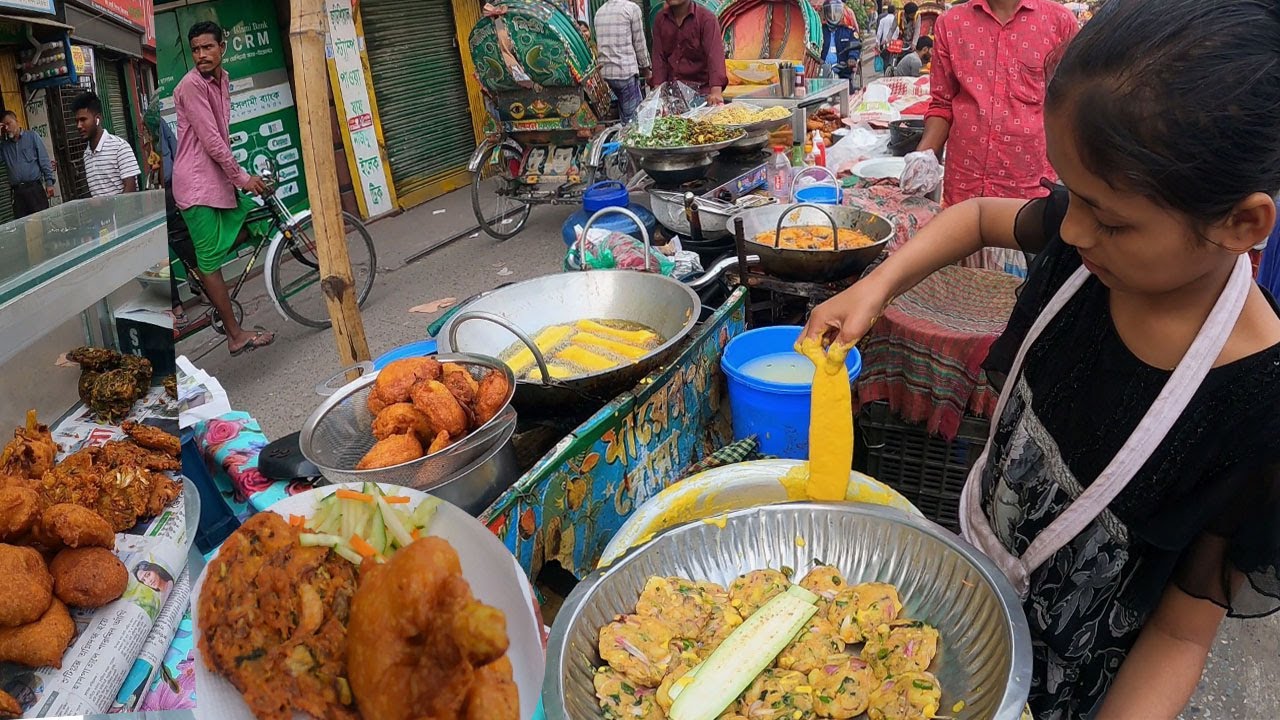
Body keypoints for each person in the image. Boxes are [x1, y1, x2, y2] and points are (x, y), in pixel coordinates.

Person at [803, 1, 1280, 717]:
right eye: (1069, 194)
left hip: (1072, 689)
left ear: (1241, 223)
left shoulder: (1258, 411)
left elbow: (1182, 633)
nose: (1073, 230)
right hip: (964, 593)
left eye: (1108, 218)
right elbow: (976, 217)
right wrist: (874, 287)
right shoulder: (1088, 236)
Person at [907, 0, 1077, 275]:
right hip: (964, 192)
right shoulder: (951, 24)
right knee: (964, 290)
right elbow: (942, 104)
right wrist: (924, 154)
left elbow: (1072, 106)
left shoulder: (1060, 23)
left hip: (1027, 198)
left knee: (1020, 291)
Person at [173, 21, 274, 356]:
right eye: (196, 50)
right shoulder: (191, 85)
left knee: (256, 218)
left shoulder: (222, 79)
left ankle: (205, 271)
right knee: (210, 263)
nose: (201, 55)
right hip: (194, 185)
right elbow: (211, 140)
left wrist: (235, 175)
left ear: (222, 48)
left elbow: (220, 135)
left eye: (208, 47)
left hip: (215, 178)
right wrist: (242, 177)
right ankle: (235, 335)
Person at [650, 0, 728, 105]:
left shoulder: (706, 19)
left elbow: (715, 57)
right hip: (672, 95)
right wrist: (658, 98)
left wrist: (716, 92)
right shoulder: (660, 20)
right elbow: (659, 59)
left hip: (702, 94)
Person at [73, 92, 140, 198]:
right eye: (76, 121)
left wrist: (115, 209)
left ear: (97, 119)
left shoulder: (120, 147)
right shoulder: (87, 155)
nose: (79, 126)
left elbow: (131, 189)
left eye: (83, 120)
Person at [595, 0, 651, 123]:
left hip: (605, 76)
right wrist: (646, 69)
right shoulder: (631, 9)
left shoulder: (599, 12)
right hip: (625, 73)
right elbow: (639, 43)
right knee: (633, 121)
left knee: (615, 118)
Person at [0, 111, 54, 218]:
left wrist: (49, 183)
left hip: (34, 189)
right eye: (4, 126)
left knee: (43, 219)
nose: (7, 128)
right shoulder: (4, 146)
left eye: (9, 123)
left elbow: (44, 160)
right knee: (21, 224)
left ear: (17, 121)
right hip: (17, 192)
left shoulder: (32, 137)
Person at [820, 0, 861, 86]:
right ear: (825, 13)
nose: (834, 15)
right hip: (822, 73)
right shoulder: (820, 30)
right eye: (830, 12)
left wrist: (852, 58)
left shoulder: (848, 31)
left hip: (842, 73)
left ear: (842, 13)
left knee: (851, 91)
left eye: (837, 12)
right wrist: (818, 60)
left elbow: (854, 45)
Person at [875, 3, 898, 72]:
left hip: (885, 43)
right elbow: (897, 31)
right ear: (895, 11)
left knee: (885, 60)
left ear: (887, 11)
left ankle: (886, 73)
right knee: (893, 59)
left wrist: (877, 43)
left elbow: (879, 33)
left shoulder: (883, 20)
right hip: (895, 43)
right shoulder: (896, 20)